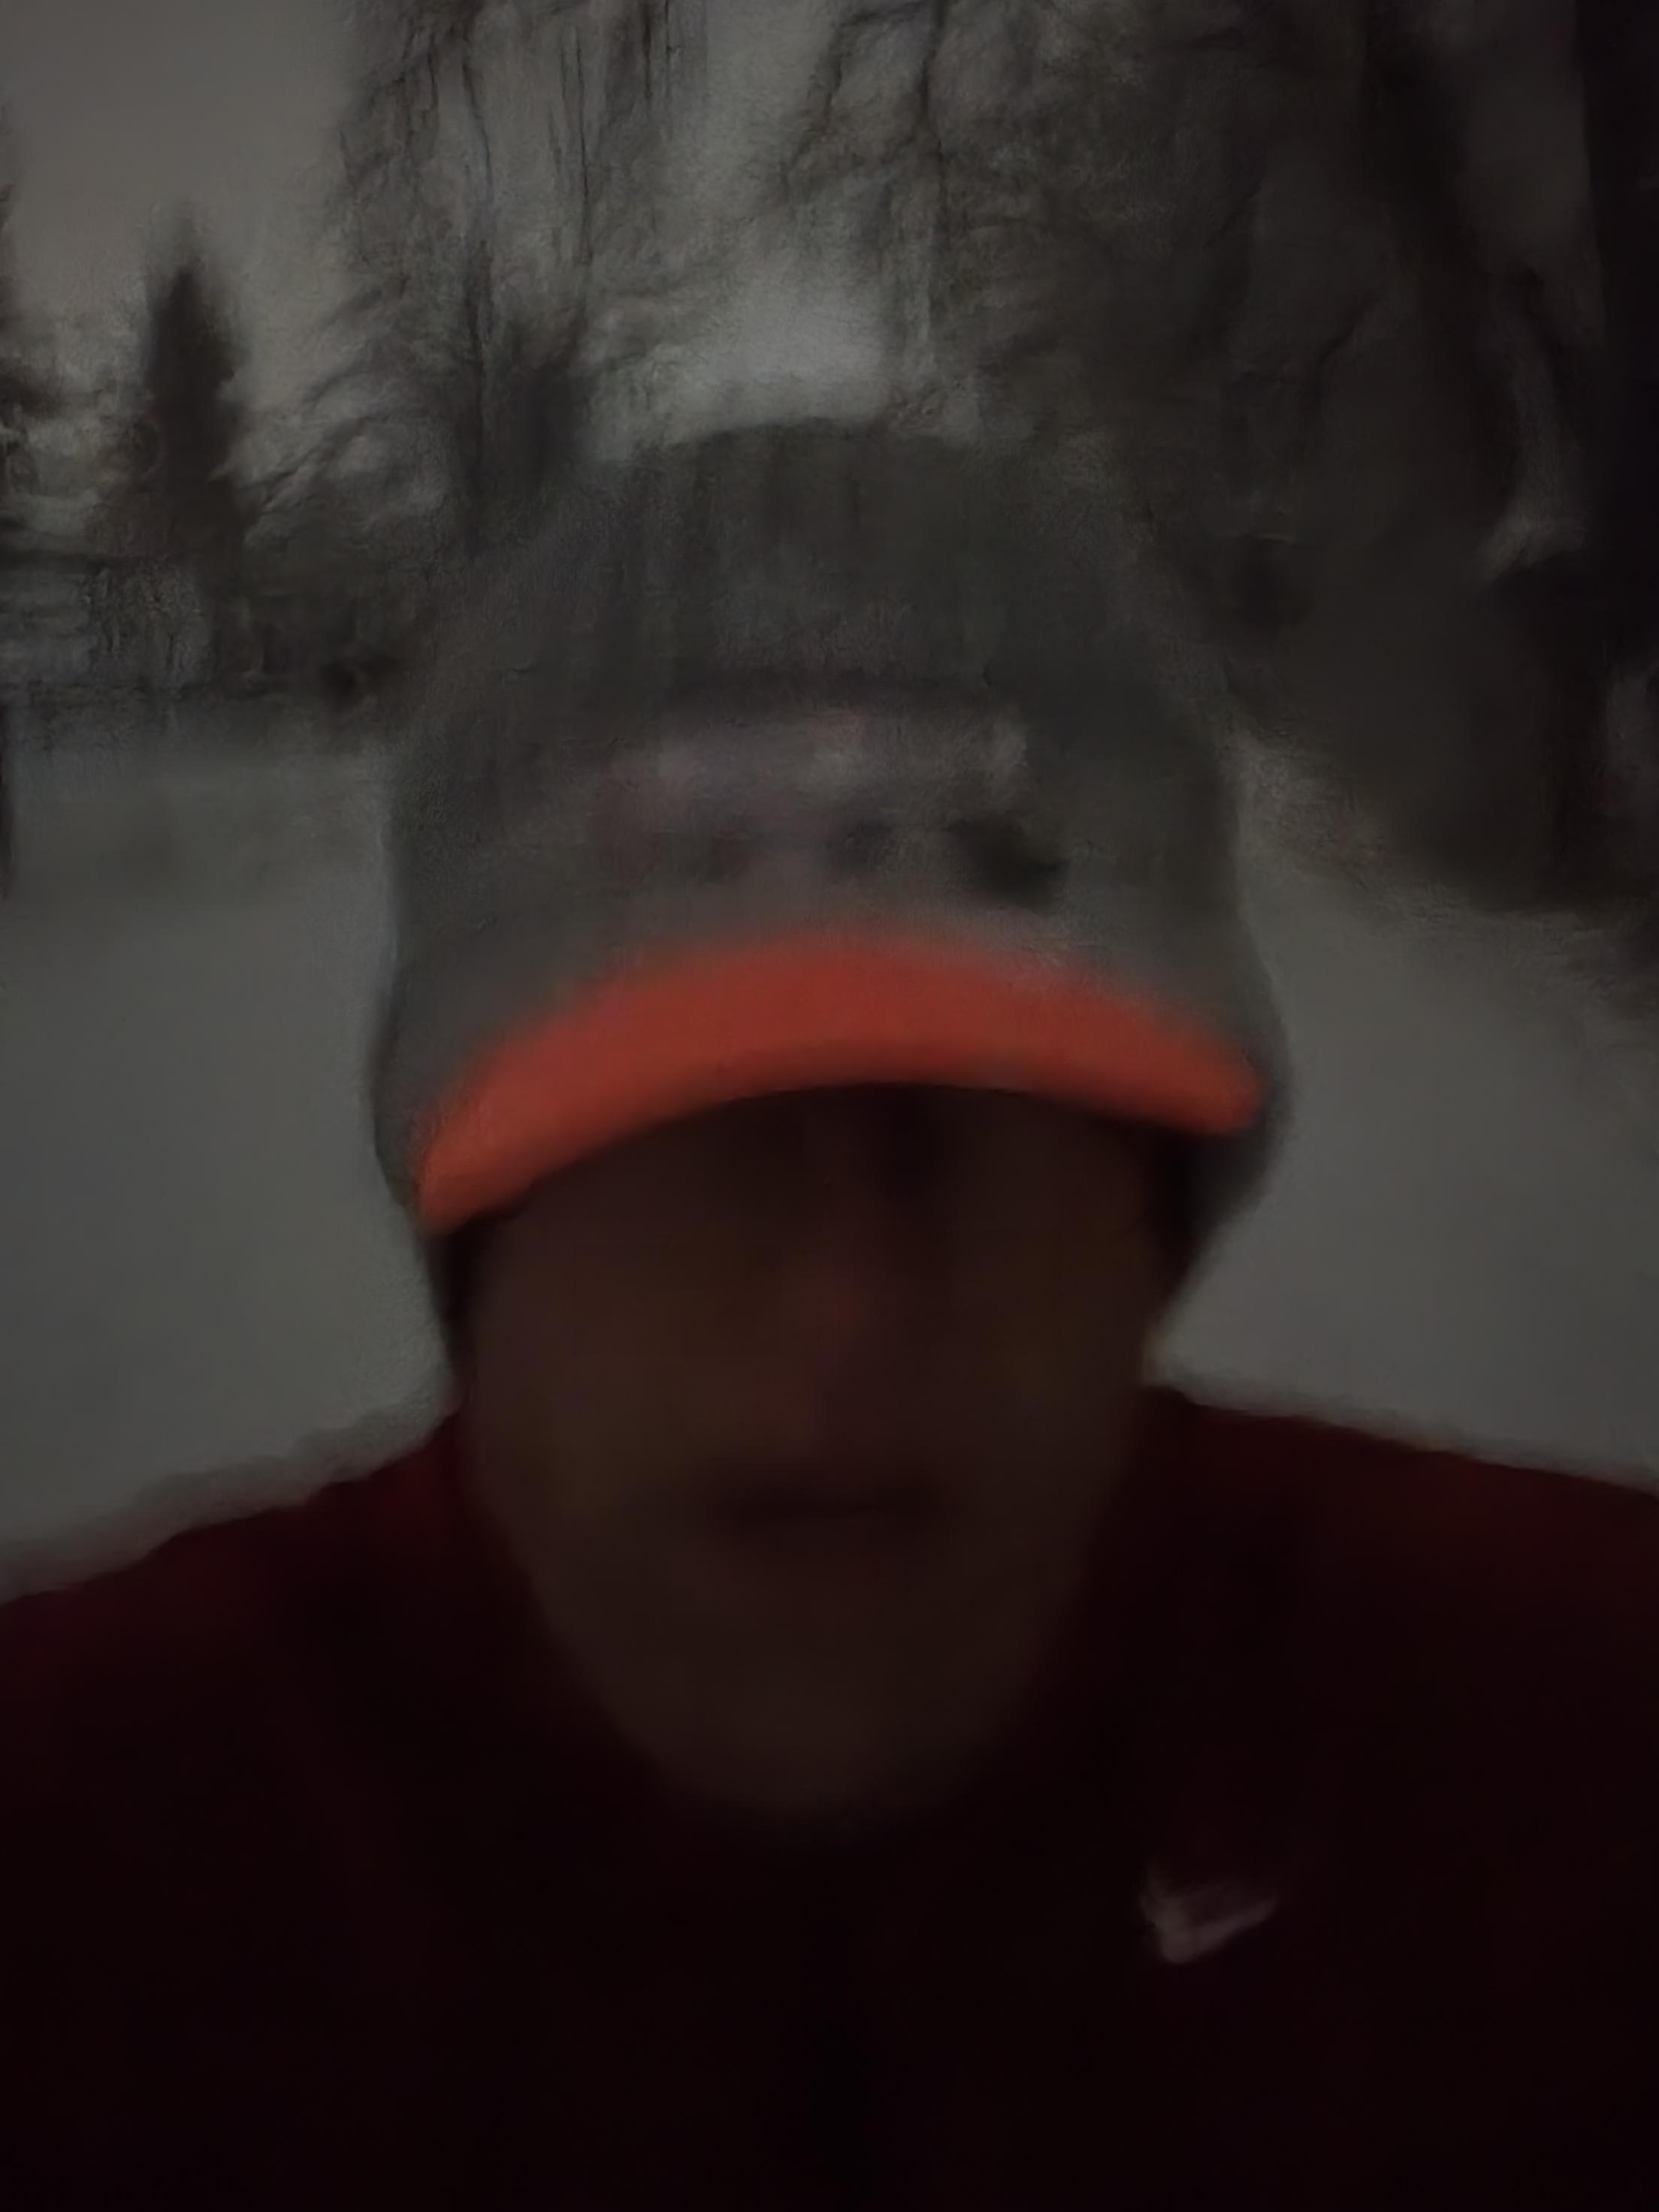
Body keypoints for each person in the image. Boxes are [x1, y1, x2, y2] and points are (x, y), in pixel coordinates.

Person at [6, 421, 1659, 2212]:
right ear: (472, 1214)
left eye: (985, 1119)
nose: (847, 1323)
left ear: (1160, 1215)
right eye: (690, 1116)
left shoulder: (1568, 1756)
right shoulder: (84, 1855)